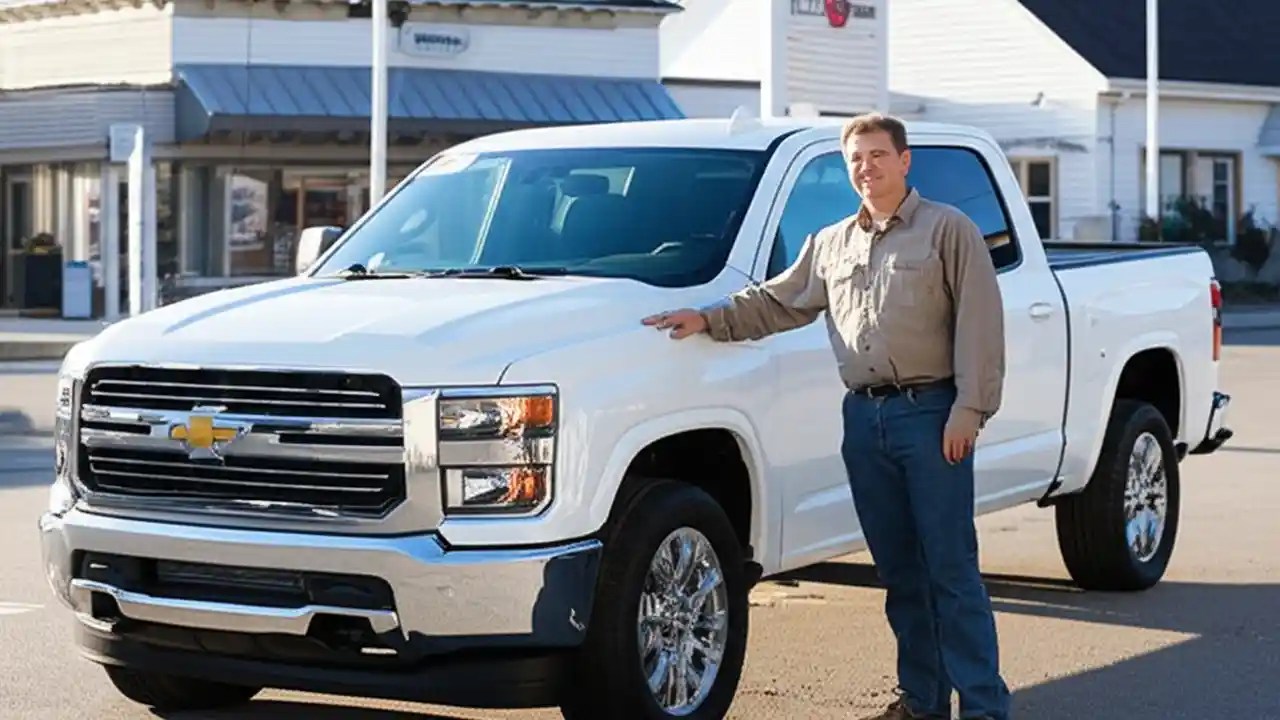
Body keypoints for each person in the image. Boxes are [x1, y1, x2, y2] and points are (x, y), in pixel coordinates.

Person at [641, 113, 1011, 720]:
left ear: (904, 160)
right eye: (855, 160)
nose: (866, 168)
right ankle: (922, 702)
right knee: (900, 574)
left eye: (877, 156)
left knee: (950, 572)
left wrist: (969, 409)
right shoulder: (832, 241)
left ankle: (984, 707)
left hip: (932, 417)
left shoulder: (950, 231)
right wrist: (708, 318)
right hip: (865, 424)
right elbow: (778, 302)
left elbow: (980, 326)